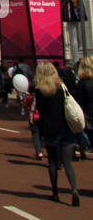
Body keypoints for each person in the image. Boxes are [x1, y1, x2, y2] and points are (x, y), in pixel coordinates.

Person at [33, 61, 80, 206]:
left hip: (50, 129)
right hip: (65, 128)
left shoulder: (40, 90)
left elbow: (40, 111)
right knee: (67, 163)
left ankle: (55, 192)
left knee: (52, 162)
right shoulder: (61, 87)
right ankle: (74, 190)